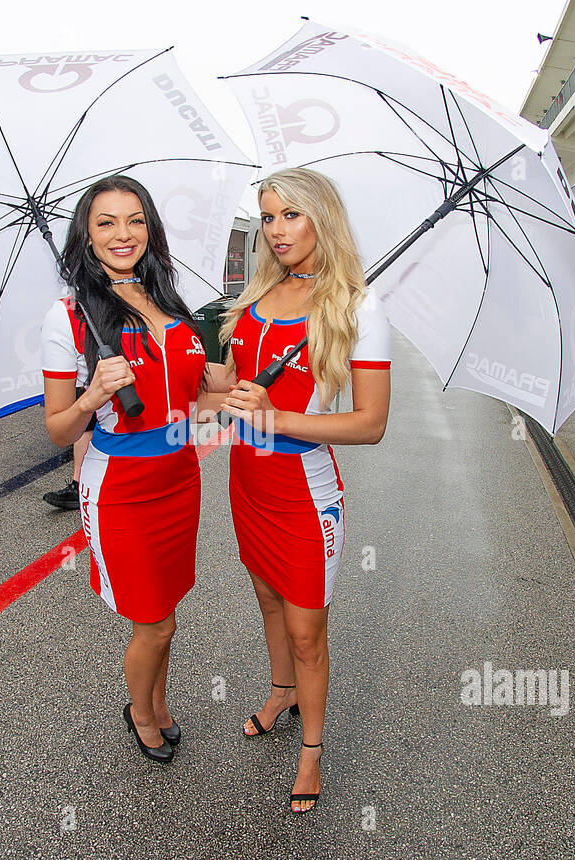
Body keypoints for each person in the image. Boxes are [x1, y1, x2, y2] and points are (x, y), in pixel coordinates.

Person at [217, 168, 391, 812]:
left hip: (302, 488)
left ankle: (312, 749)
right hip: (246, 479)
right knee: (266, 601)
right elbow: (225, 384)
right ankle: (281, 690)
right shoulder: (258, 293)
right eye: (267, 217)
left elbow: (370, 423)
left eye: (291, 215)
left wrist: (277, 417)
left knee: (306, 629)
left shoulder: (357, 307)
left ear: (322, 216)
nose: (277, 230)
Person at [40, 174, 231, 764]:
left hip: (181, 476)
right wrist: (94, 394)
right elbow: (58, 429)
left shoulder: (169, 302)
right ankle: (141, 713)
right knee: (153, 623)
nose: (123, 234)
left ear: (151, 228)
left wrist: (222, 392)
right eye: (106, 223)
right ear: (86, 235)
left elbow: (190, 398)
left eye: (135, 220)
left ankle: (161, 702)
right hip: (120, 487)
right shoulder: (68, 316)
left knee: (168, 612)